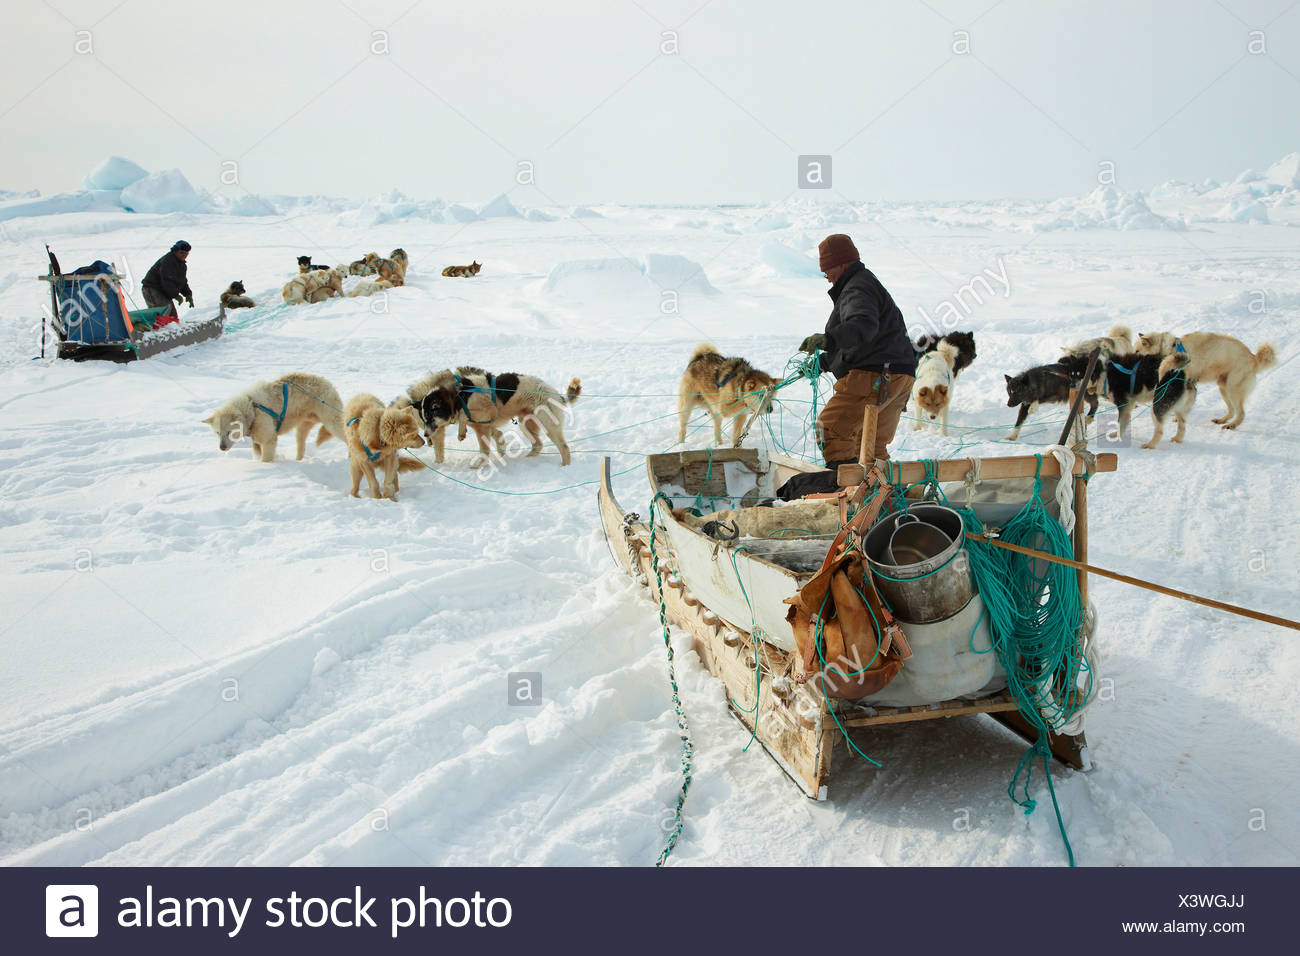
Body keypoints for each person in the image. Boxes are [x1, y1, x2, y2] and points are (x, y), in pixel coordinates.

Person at [799, 234, 916, 467]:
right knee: (869, 445)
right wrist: (823, 363)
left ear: (842, 264)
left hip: (875, 377)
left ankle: (848, 494)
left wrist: (827, 339)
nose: (827, 278)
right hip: (899, 375)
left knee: (830, 428)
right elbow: (864, 344)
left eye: (827, 271)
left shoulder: (857, 287)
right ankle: (883, 498)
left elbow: (862, 326)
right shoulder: (865, 283)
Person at [141, 240, 194, 315]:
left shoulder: (181, 265)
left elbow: (182, 281)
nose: (184, 255)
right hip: (152, 289)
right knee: (162, 314)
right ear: (175, 251)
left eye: (186, 253)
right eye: (182, 252)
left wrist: (187, 294)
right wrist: (175, 295)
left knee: (172, 316)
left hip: (163, 291)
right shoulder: (168, 261)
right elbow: (167, 280)